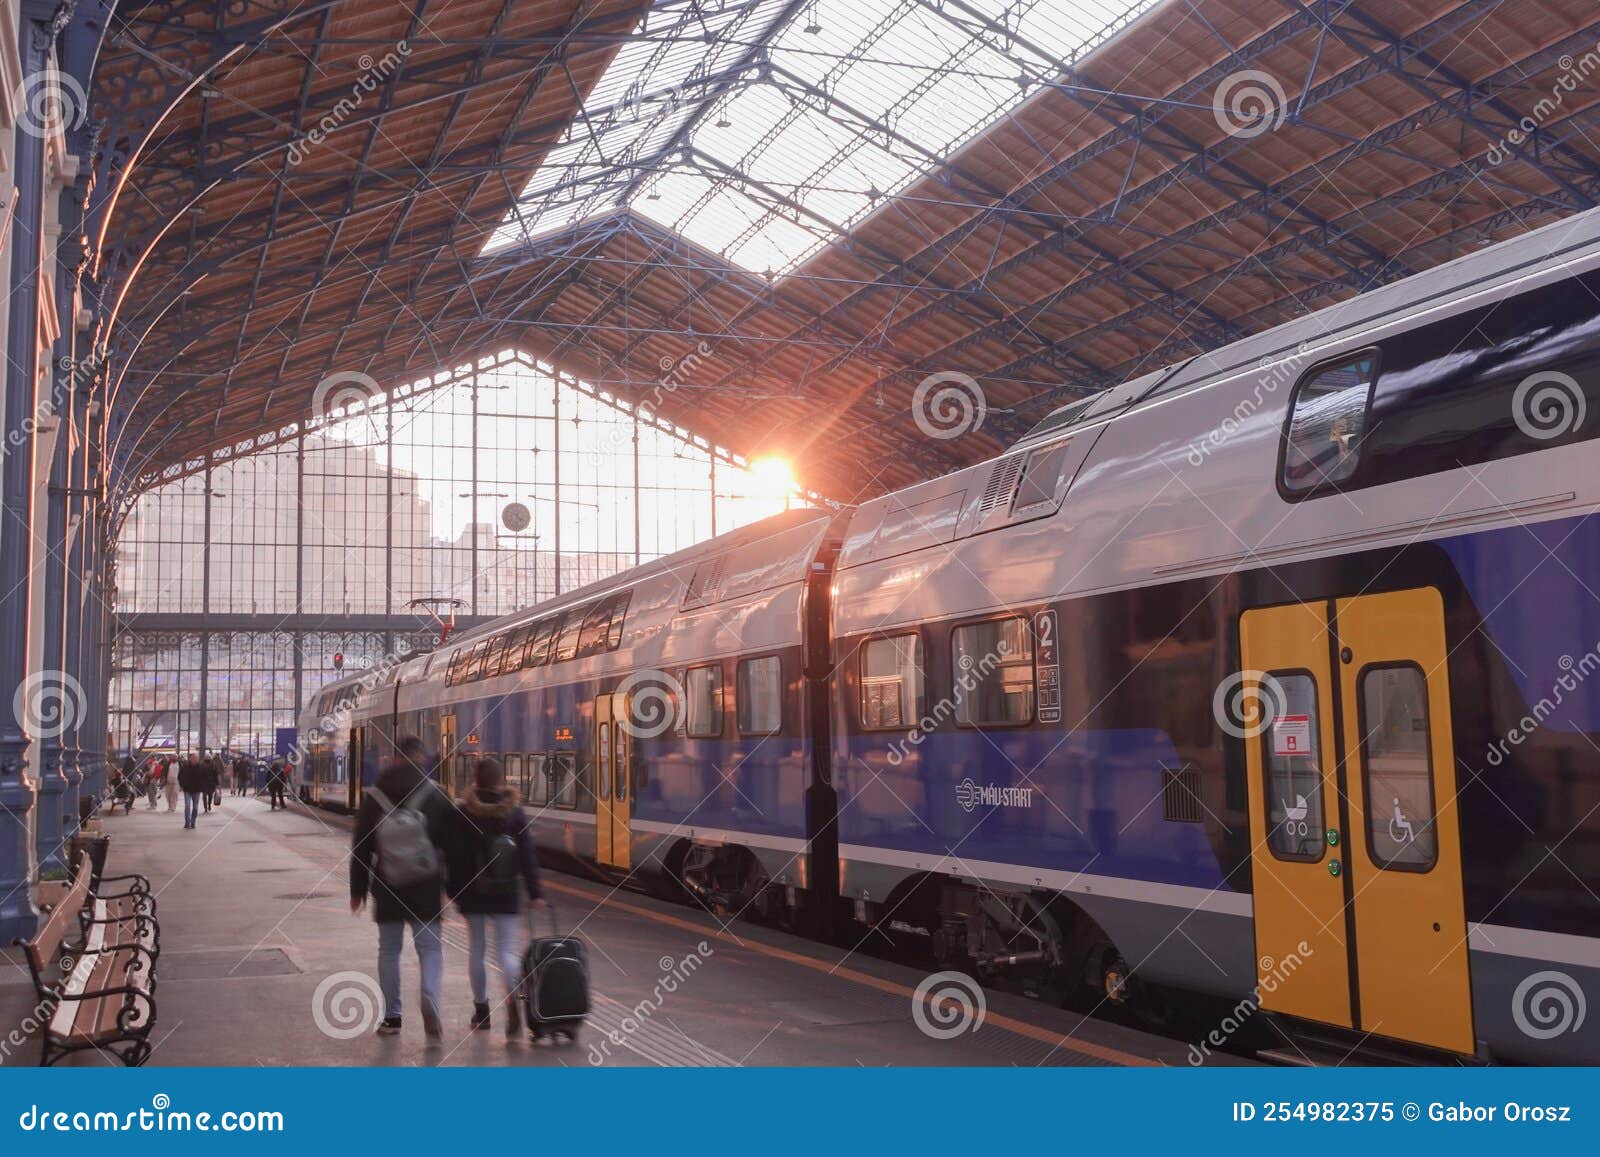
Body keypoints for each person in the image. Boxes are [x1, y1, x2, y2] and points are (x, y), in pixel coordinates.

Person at [350, 736, 451, 1041]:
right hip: (427, 886)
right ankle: (430, 996)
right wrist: (455, 885)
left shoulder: (375, 796)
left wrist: (357, 891)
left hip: (388, 884)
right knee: (430, 947)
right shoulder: (436, 795)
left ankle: (392, 1018)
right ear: (421, 758)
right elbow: (453, 845)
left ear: (393, 760)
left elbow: (361, 847)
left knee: (389, 950)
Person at [444, 757, 544, 1038]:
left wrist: (454, 892)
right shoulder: (515, 813)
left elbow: (454, 857)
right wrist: (535, 893)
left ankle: (482, 1011)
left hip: (474, 894)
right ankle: (512, 1004)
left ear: (475, 780)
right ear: (502, 780)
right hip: (507, 892)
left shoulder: (463, 812)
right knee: (506, 951)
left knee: (477, 950)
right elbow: (526, 855)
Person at [178, 753, 205, 828]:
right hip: (187, 789)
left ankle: (193, 822)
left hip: (197, 790)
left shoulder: (201, 767)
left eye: (196, 758)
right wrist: (183, 785)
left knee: (195, 807)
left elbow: (204, 778)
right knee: (187, 805)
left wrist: (202, 787)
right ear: (190, 759)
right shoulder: (185, 766)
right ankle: (187, 822)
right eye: (193, 758)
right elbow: (180, 776)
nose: (194, 760)